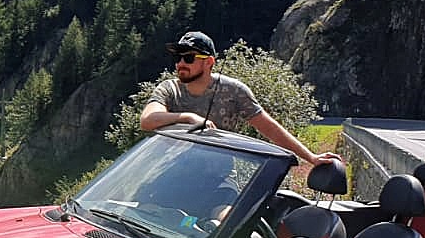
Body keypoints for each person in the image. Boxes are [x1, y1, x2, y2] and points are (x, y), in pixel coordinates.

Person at [138, 31, 338, 167]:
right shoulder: (169, 88)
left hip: (217, 176)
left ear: (209, 62)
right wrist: (188, 117)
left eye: (189, 58)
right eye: (178, 58)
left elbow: (270, 128)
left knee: (225, 220)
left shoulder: (234, 91)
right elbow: (148, 120)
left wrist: (311, 158)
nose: (181, 63)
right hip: (170, 171)